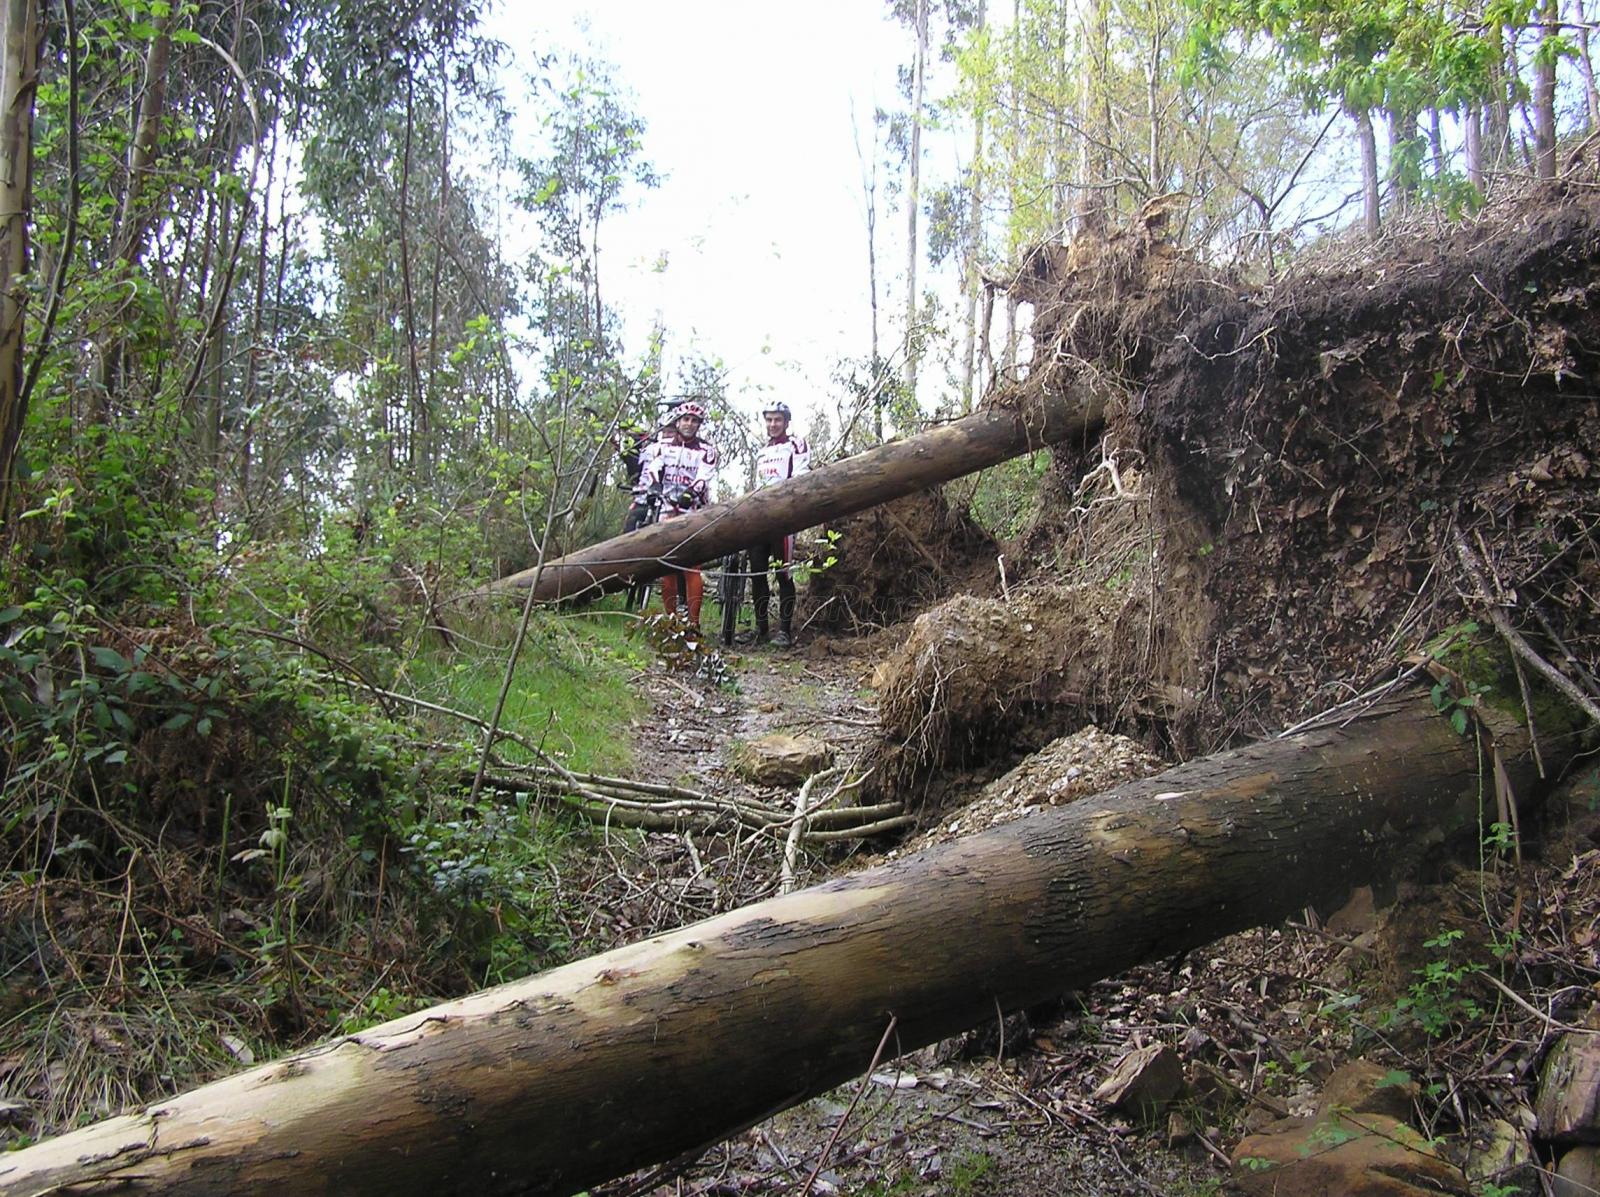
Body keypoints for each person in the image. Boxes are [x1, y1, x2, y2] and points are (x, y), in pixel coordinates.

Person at [641, 401, 718, 626]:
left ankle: (694, 622)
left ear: (699, 425)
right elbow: (654, 467)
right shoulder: (662, 445)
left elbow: (704, 476)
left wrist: (692, 492)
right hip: (666, 507)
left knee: (692, 567)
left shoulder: (706, 450)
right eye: (686, 419)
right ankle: (672, 620)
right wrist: (654, 485)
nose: (689, 424)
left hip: (692, 509)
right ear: (678, 421)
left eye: (694, 421)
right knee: (668, 566)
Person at [748, 401, 810, 647]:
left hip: (783, 519)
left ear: (786, 422)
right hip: (759, 518)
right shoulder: (762, 451)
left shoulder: (796, 444)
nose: (773, 425)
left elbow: (801, 476)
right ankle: (761, 629)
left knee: (783, 573)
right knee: (757, 573)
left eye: (778, 420)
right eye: (769, 420)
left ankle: (784, 631)